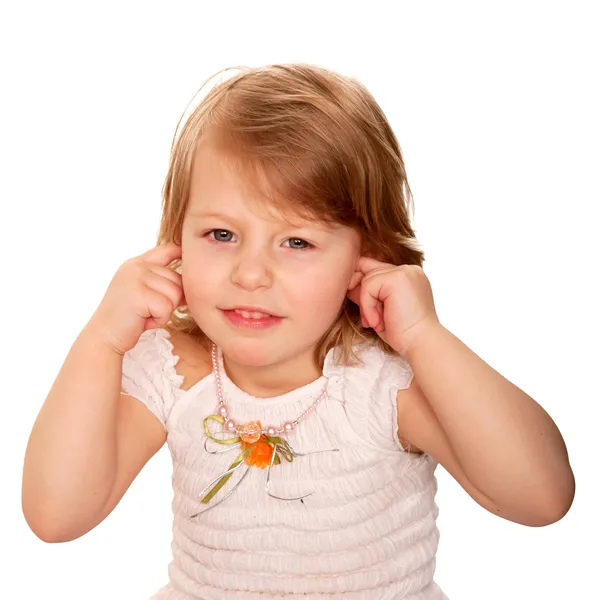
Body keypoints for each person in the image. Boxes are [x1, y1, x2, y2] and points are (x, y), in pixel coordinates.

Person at [22, 64, 575, 600]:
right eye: (220, 233)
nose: (251, 273)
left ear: (368, 256)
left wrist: (426, 336)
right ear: (176, 240)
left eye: (297, 242)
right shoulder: (177, 369)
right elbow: (56, 516)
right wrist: (100, 342)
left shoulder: (386, 382)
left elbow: (541, 498)